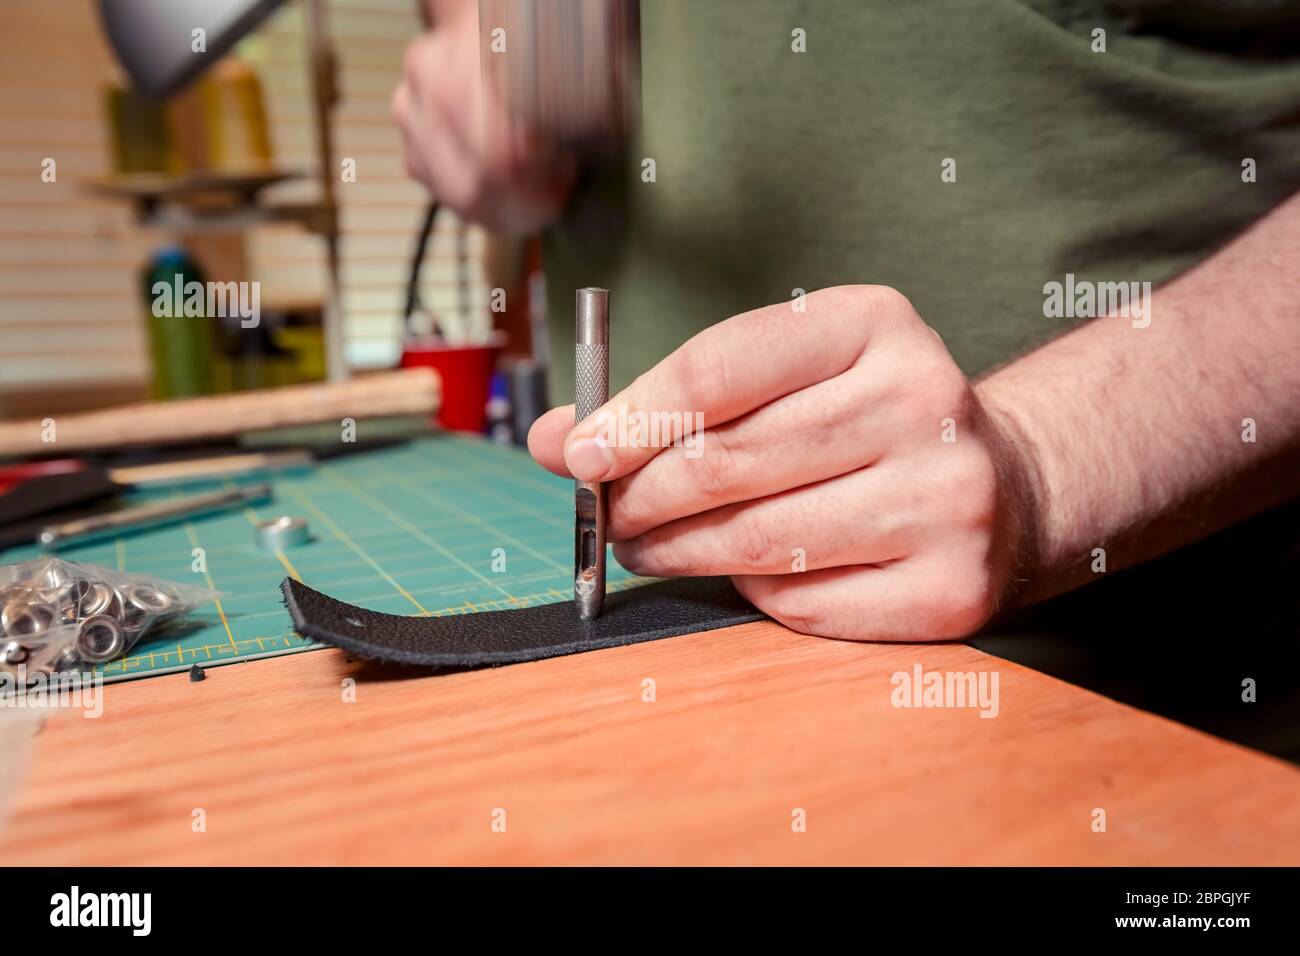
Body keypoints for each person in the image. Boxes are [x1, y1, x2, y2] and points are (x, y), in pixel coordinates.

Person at [394, 0, 1300, 642]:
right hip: (671, 651)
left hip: (1138, 691)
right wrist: (491, 34)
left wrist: (1042, 458)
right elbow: (502, 49)